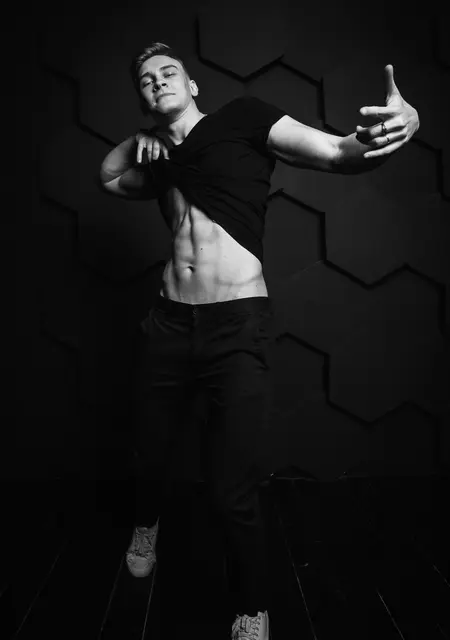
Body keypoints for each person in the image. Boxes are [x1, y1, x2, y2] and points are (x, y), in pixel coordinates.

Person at [99, 41, 419, 640]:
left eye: (169, 72)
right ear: (142, 99)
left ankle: (251, 605)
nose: (158, 81)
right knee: (150, 450)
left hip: (236, 324)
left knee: (232, 485)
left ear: (193, 85)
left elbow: (338, 153)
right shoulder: (160, 160)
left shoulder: (243, 118)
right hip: (169, 321)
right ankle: (147, 526)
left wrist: (403, 127)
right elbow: (109, 178)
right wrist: (139, 138)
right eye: (146, 80)